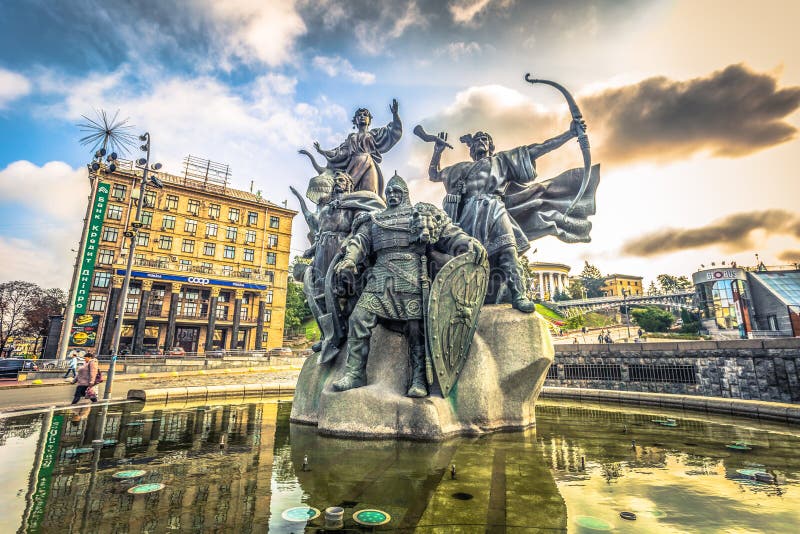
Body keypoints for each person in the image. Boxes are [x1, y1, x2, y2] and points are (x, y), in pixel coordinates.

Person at [332, 174, 484, 397]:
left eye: (397, 192)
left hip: (412, 277)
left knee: (416, 329)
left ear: (405, 194)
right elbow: (359, 242)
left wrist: (468, 242)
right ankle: (355, 374)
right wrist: (349, 260)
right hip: (381, 279)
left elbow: (448, 232)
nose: (392, 195)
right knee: (358, 319)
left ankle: (419, 379)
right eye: (390, 192)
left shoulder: (420, 214)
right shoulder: (374, 220)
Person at [313, 100, 402, 198]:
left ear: (369, 120)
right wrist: (322, 151)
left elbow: (393, 132)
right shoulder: (351, 137)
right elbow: (339, 152)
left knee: (369, 195)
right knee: (348, 195)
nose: (362, 116)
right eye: (359, 115)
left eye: (365, 115)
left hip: (369, 165)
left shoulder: (374, 134)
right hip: (353, 167)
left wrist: (395, 114)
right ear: (356, 121)